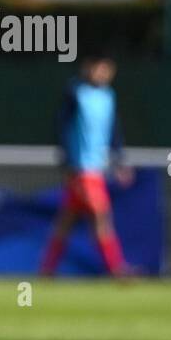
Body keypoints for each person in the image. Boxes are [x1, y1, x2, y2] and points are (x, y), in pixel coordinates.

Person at [40, 55, 133, 277]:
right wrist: (67, 163)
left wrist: (118, 160)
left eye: (107, 69)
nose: (103, 73)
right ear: (88, 68)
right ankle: (117, 268)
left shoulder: (108, 96)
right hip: (81, 169)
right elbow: (61, 127)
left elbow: (113, 130)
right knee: (101, 215)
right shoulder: (75, 93)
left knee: (67, 220)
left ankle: (46, 270)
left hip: (97, 169)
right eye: (99, 68)